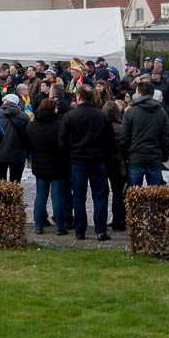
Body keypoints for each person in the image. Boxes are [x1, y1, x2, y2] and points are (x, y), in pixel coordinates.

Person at [58, 86, 117, 238]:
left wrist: (68, 157)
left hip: (78, 160)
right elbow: (111, 141)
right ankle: (101, 229)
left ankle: (80, 230)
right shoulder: (102, 117)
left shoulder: (70, 116)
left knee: (79, 196)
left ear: (78, 97)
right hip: (98, 160)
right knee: (100, 196)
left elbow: (62, 141)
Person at [26, 96, 70, 233]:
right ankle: (60, 226)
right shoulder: (58, 126)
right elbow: (64, 145)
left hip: (39, 163)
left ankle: (39, 225)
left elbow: (27, 143)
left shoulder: (32, 125)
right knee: (57, 196)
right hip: (57, 164)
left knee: (41, 195)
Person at [120, 82, 169, 188]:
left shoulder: (131, 112)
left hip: (135, 158)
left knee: (133, 193)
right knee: (154, 194)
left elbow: (124, 137)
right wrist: (164, 156)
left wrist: (125, 156)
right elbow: (166, 138)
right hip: (154, 158)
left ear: (139, 93)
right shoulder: (161, 113)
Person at [0, 93, 30, 184]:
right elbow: (28, 136)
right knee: (16, 182)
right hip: (18, 153)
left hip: (0, 152)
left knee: (0, 182)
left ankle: (1, 194)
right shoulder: (24, 117)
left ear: (5, 101)